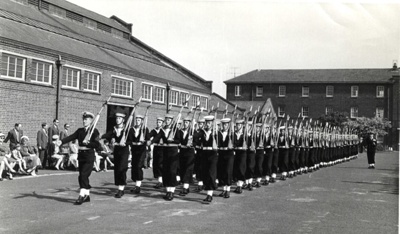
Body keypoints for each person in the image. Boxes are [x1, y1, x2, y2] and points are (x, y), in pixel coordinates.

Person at [59, 112, 100, 205]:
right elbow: (71, 137)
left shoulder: (94, 131)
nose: (84, 121)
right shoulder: (80, 131)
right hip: (81, 155)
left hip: (89, 155)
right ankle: (87, 195)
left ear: (90, 121)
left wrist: (88, 143)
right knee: (82, 175)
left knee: (84, 175)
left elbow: (97, 144)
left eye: (86, 119)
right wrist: (61, 141)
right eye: (83, 119)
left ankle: (81, 196)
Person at [150, 114, 182, 201]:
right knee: (166, 171)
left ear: (172, 121)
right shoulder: (162, 130)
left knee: (172, 171)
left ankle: (172, 191)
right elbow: (157, 137)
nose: (167, 121)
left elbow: (179, 140)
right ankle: (168, 191)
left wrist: (173, 140)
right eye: (166, 120)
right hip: (165, 152)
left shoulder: (175, 130)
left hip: (173, 153)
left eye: (169, 120)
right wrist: (151, 141)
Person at [199, 115, 219, 203]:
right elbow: (196, 138)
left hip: (213, 155)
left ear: (212, 124)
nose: (208, 124)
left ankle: (209, 195)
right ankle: (208, 193)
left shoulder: (216, 133)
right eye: (206, 123)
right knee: (205, 174)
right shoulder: (202, 132)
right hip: (204, 155)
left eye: (209, 123)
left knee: (211, 174)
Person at [129, 114, 149, 194]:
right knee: (134, 166)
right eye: (136, 120)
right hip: (134, 149)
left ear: (141, 121)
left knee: (139, 166)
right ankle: (136, 184)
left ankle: (138, 186)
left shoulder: (144, 129)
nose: (137, 121)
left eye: (139, 120)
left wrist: (146, 140)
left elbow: (148, 138)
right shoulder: (131, 129)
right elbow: (129, 139)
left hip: (141, 150)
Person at [217, 118, 234, 198]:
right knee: (222, 171)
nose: (224, 126)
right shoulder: (219, 133)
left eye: (226, 124)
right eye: (223, 124)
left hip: (229, 154)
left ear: (228, 125)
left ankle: (228, 190)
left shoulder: (231, 134)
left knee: (228, 171)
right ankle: (224, 190)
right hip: (221, 153)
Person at [178, 117, 195, 196]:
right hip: (182, 152)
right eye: (184, 122)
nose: (185, 124)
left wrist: (192, 143)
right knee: (183, 169)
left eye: (187, 122)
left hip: (190, 153)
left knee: (188, 169)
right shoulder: (180, 132)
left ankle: (185, 188)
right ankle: (186, 187)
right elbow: (177, 140)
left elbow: (197, 141)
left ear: (189, 124)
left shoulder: (192, 131)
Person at [149, 117, 164, 189]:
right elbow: (149, 135)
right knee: (156, 164)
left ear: (162, 123)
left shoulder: (164, 131)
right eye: (157, 122)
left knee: (161, 164)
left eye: (160, 122)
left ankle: (161, 181)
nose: (158, 123)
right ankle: (159, 180)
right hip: (156, 148)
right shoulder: (154, 131)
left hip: (163, 149)